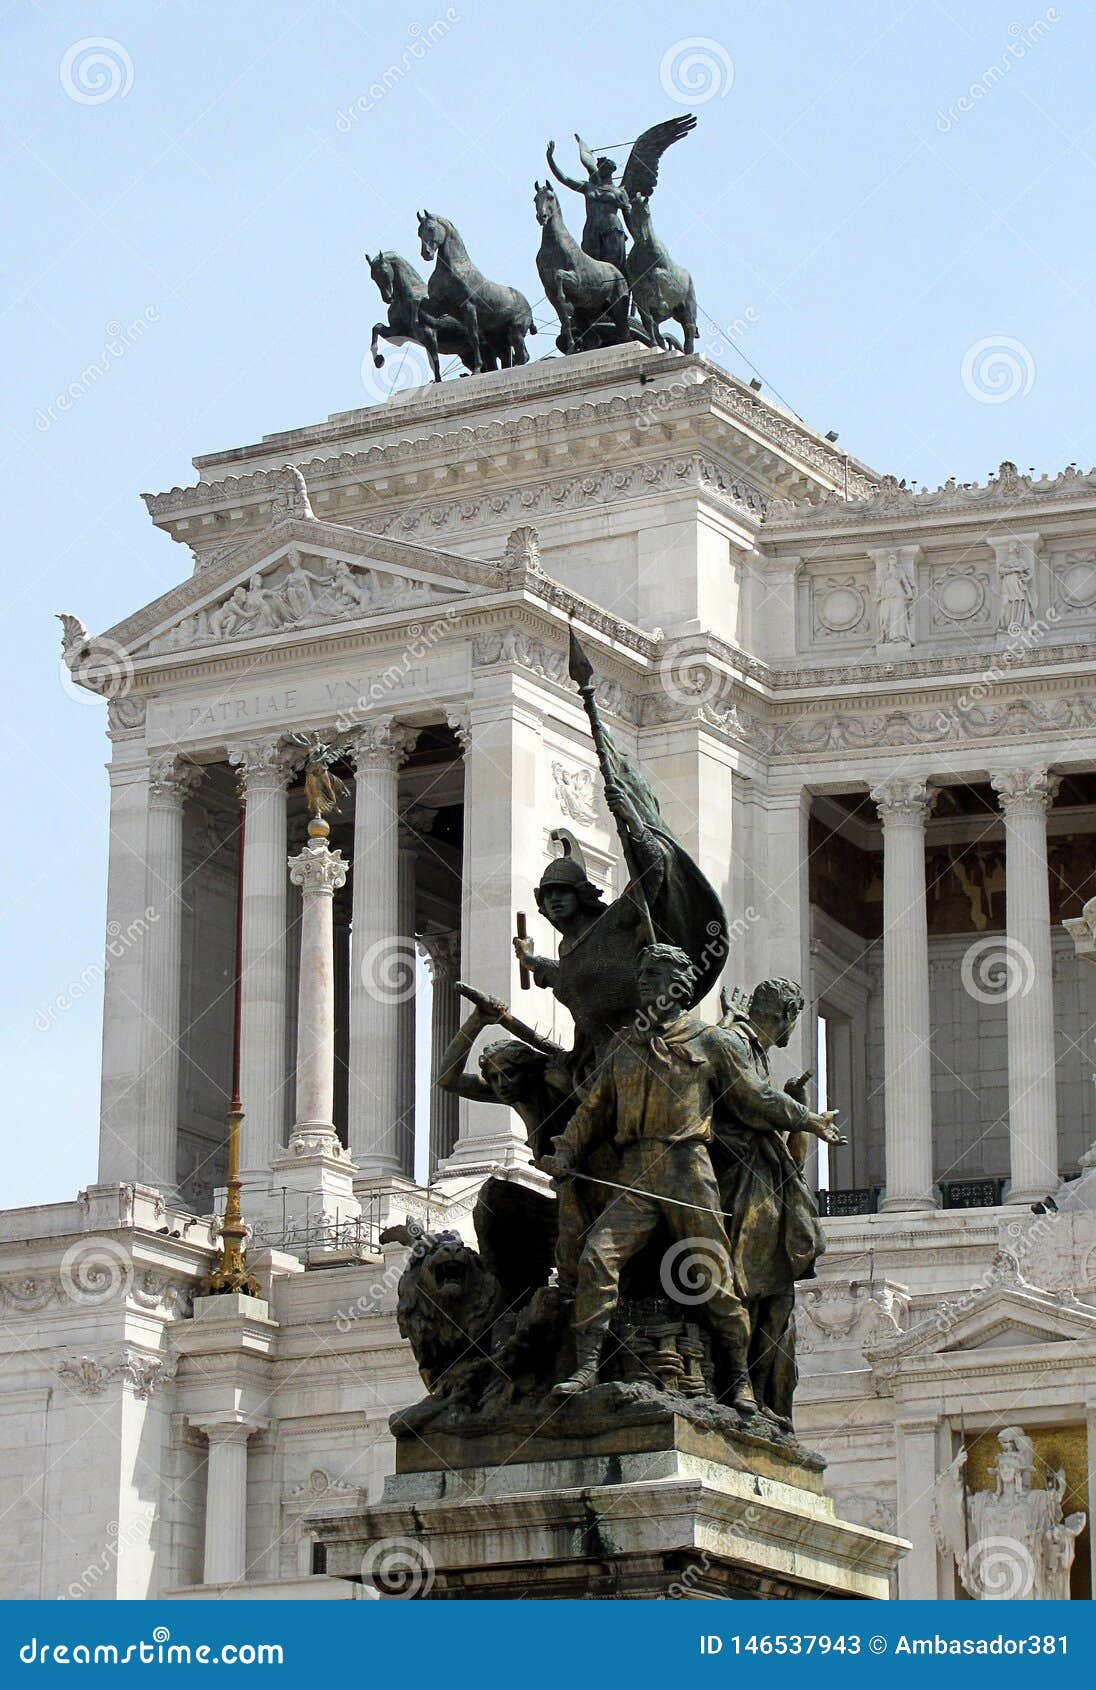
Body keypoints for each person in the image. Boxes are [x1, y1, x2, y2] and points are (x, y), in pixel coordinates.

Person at [540, 946, 841, 1408]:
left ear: (679, 987)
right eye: (642, 972)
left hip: (687, 1168)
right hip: (636, 1170)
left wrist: (807, 1120)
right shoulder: (625, 1044)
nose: (643, 981)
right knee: (598, 1258)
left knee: (713, 1275)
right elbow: (594, 1109)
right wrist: (564, 1151)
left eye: (654, 974)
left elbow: (755, 1097)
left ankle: (739, 1379)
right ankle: (586, 1365)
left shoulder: (711, 1041)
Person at [712, 979, 845, 1428]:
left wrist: (798, 1116)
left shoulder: (748, 1045)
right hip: (743, 1183)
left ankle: (769, 1401)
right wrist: (809, 1119)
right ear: (786, 1013)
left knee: (774, 1297)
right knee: (753, 1287)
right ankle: (742, 1388)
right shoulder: (734, 1042)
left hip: (762, 1179)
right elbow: (753, 1098)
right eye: (795, 1017)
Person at [545, 135, 630, 270]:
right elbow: (564, 178)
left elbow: (628, 216)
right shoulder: (588, 187)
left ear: (608, 171)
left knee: (614, 269)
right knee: (588, 269)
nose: (598, 169)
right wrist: (550, 159)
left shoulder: (619, 192)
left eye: (601, 167)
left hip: (611, 230)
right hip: (591, 230)